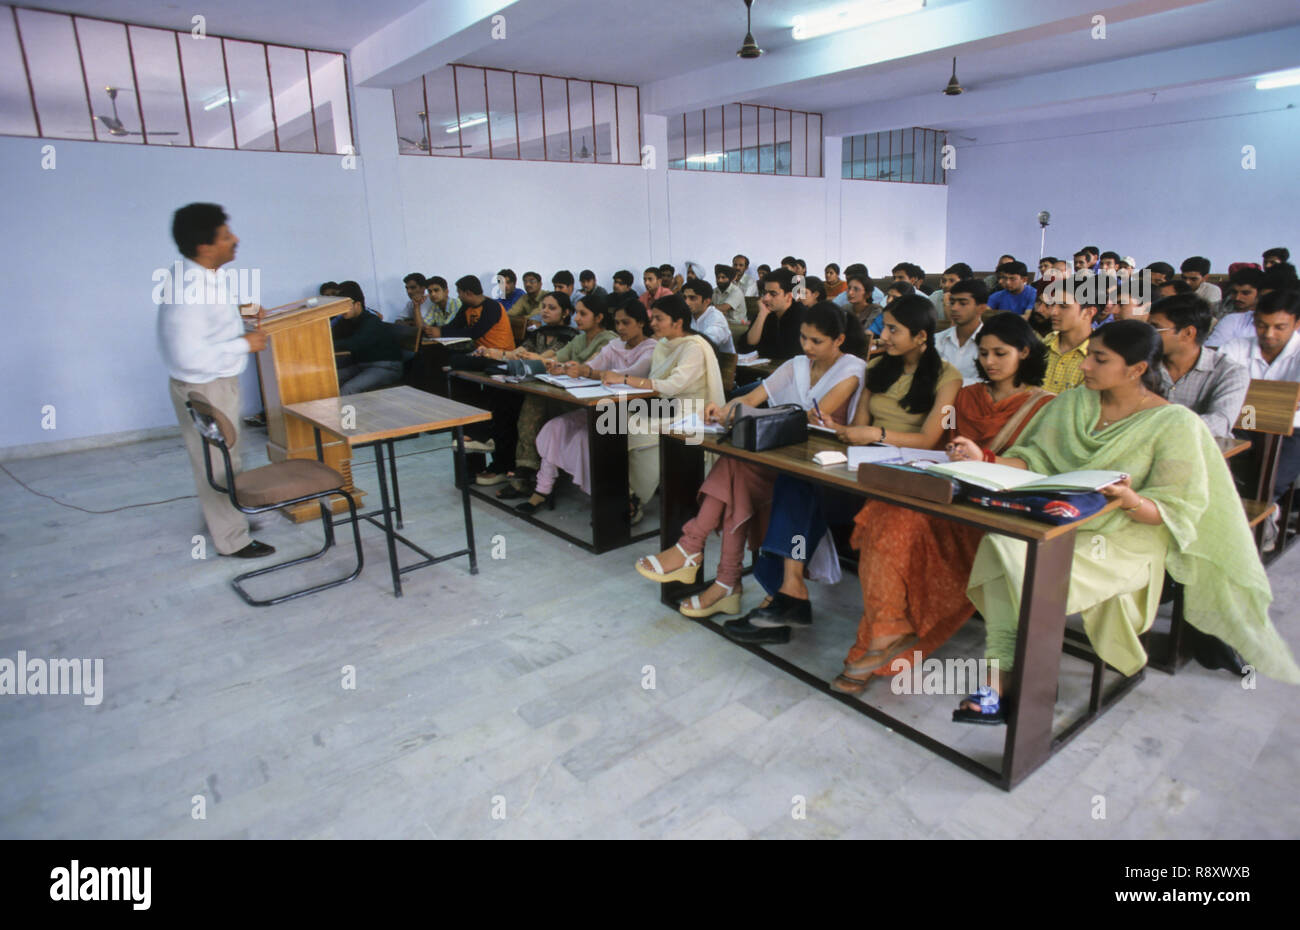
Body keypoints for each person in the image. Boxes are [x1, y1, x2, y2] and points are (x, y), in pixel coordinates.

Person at [955, 321, 1300, 724]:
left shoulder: (1175, 424)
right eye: (1088, 356)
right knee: (1003, 544)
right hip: (1062, 519)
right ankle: (1002, 677)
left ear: (1136, 370)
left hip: (1128, 534)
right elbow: (1035, 461)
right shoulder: (1072, 404)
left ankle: (1019, 683)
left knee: (1030, 569)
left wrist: (1131, 499)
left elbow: (1174, 512)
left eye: (1100, 359)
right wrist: (985, 460)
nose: (1085, 367)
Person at [831, 312, 1054, 692]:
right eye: (983, 354)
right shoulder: (967, 396)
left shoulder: (1046, 406)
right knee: (884, 512)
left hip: (993, 506)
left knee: (898, 524)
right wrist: (951, 451)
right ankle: (888, 630)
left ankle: (878, 641)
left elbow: (1042, 467)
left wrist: (982, 458)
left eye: (1000, 353)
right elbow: (941, 440)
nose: (989, 362)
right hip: (948, 489)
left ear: (1025, 353)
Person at [723, 295, 962, 643]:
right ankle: (790, 587)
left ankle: (783, 596)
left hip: (910, 471)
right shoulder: (878, 369)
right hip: (864, 465)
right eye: (886, 328)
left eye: (894, 330)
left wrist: (875, 433)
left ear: (922, 336)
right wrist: (833, 425)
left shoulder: (947, 377)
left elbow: (929, 438)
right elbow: (856, 428)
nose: (883, 336)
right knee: (798, 481)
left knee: (798, 491)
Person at [634, 303, 867, 618]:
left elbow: (812, 418)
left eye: (816, 341)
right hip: (784, 457)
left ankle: (698, 554)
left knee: (735, 468)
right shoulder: (797, 364)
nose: (807, 347)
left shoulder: (851, 369)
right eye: (803, 338)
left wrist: (749, 413)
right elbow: (752, 398)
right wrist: (726, 409)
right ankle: (720, 575)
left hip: (819, 468)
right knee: (736, 467)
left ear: (838, 340)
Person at [519, 295, 724, 523]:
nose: (653, 323)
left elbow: (673, 385)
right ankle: (616, 495)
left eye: (658, 319)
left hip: (688, 409)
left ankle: (632, 498)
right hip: (662, 404)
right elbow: (655, 385)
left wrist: (624, 379)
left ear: (677, 322)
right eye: (652, 318)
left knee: (624, 429)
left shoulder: (693, 347)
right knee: (605, 422)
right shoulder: (666, 344)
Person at [158, 202, 274, 559]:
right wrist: (244, 342)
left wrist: (241, 312)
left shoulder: (200, 274)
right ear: (205, 246)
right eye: (226, 236)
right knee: (218, 464)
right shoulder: (191, 289)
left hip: (214, 383)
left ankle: (225, 516)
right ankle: (232, 540)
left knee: (224, 459)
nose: (235, 239)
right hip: (206, 387)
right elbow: (186, 354)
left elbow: (206, 323)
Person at [1220, 289, 1300, 509]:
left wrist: (1242, 394)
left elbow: (1294, 399)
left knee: (1269, 485)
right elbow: (1219, 385)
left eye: (1279, 327)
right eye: (1262, 325)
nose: (1268, 334)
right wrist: (1279, 399)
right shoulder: (1237, 346)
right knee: (1223, 477)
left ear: (1297, 324)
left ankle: (1263, 528)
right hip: (1243, 422)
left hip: (1293, 430)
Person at [1148, 293, 1249, 438]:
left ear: (1187, 333)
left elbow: (1220, 424)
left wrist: (1160, 428)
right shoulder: (1144, 363)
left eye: (1155, 328)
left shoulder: (1229, 372)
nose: (1148, 335)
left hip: (1199, 451)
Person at [331, 281, 404, 395]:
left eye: (344, 306)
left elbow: (355, 343)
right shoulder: (347, 320)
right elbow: (333, 336)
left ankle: (349, 413)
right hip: (362, 366)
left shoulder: (371, 321)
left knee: (348, 389)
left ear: (358, 304)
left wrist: (329, 345)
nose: (341, 310)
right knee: (329, 381)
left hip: (386, 367)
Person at [1041, 280, 1095, 393]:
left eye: (1063, 306)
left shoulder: (1098, 357)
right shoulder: (1042, 345)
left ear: (1088, 313)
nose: (1053, 312)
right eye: (1053, 305)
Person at [744, 268, 805, 360]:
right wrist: (762, 315)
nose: (765, 298)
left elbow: (788, 353)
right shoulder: (767, 311)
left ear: (788, 296)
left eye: (773, 294)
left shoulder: (802, 317)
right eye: (765, 293)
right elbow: (751, 342)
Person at [935, 278, 986, 384]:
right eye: (952, 302)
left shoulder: (992, 343)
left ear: (981, 308)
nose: (954, 308)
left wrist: (949, 384)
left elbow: (987, 382)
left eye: (962, 303)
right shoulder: (936, 340)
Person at [1205, 267, 1264, 348]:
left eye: (1245, 293)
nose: (1237, 298)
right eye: (1234, 292)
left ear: (1260, 293)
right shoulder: (1217, 308)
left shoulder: (1266, 316)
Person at [682, 279, 736, 354]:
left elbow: (705, 344)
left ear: (707, 301)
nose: (686, 302)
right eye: (684, 298)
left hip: (720, 363)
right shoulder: (685, 315)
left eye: (692, 298)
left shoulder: (716, 318)